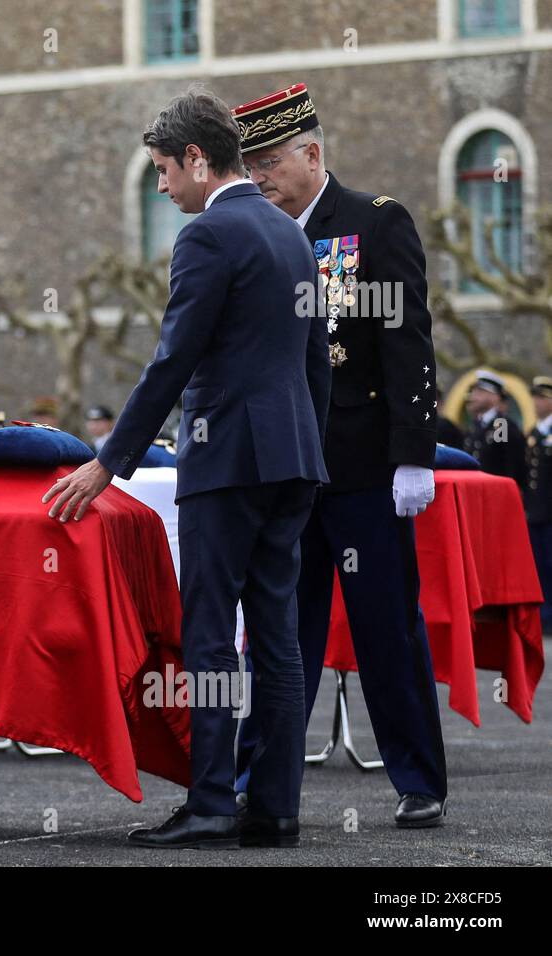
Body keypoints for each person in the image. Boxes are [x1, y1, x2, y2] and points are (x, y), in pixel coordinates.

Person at [43, 87, 329, 849]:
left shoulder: (208, 238)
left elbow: (175, 360)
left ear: (197, 160)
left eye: (165, 170)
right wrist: (308, 448)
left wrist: (108, 463)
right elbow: (314, 366)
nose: (164, 185)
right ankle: (273, 810)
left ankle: (208, 803)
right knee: (276, 637)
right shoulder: (291, 234)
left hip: (228, 457)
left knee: (207, 635)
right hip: (292, 459)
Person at [230, 82, 448, 828]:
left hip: (359, 467)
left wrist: (414, 451)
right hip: (286, 468)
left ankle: (418, 778)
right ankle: (258, 779)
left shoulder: (372, 224)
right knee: (281, 634)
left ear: (311, 154)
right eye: (248, 165)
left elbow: (407, 341)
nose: (257, 178)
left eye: (267, 163)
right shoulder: (257, 232)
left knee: (386, 626)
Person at [522, 376, 552, 632]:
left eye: (542, 398)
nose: (536, 403)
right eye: (535, 398)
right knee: (539, 564)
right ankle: (544, 615)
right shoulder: (534, 432)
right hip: (535, 512)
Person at [464, 370, 525, 481]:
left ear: (495, 397)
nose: (473, 396)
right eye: (473, 391)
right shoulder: (475, 426)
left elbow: (509, 464)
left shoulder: (500, 425)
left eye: (480, 392)